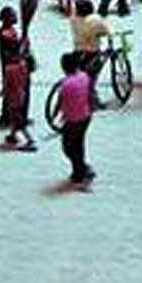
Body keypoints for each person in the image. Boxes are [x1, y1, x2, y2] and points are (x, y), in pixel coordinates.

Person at [0, 7, 35, 151]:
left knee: (14, 97)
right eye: (12, 16)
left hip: (15, 67)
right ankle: (22, 128)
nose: (15, 18)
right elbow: (16, 47)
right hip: (14, 68)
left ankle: (12, 125)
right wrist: (23, 42)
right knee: (16, 96)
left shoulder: (10, 31)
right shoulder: (5, 34)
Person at [56, 53, 96, 188]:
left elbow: (62, 103)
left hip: (72, 120)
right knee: (78, 143)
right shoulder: (84, 76)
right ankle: (77, 172)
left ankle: (83, 169)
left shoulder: (65, 84)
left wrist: (58, 116)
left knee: (68, 147)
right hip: (85, 116)